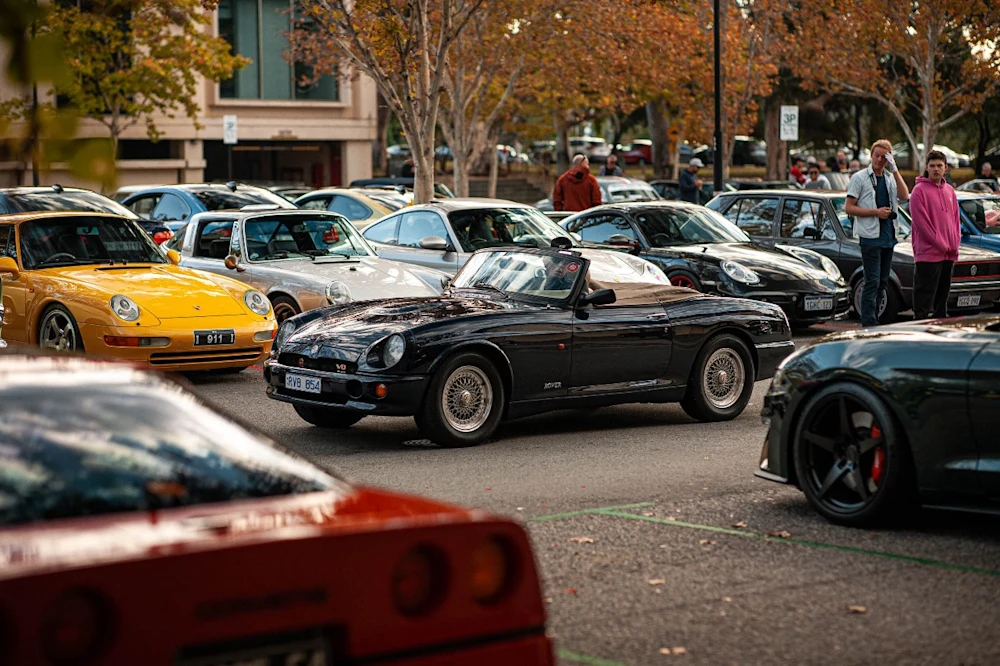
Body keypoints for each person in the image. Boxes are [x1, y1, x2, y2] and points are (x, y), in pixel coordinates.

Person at [846, 139, 910, 326]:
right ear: (871, 155)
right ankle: (868, 323)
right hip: (870, 238)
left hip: (888, 237)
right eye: (877, 155)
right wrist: (876, 212)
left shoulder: (890, 178)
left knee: (883, 281)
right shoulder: (859, 178)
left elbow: (904, 196)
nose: (879, 160)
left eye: (884, 157)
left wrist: (895, 169)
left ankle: (874, 318)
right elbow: (849, 208)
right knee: (872, 281)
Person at [908, 150, 960, 320]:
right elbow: (921, 224)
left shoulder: (950, 191)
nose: (936, 169)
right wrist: (940, 243)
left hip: (948, 253)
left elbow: (955, 220)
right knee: (924, 300)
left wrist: (954, 243)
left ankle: (941, 335)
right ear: (926, 168)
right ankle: (920, 335)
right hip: (928, 254)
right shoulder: (918, 191)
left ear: (946, 167)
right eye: (932, 166)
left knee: (942, 299)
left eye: (939, 166)